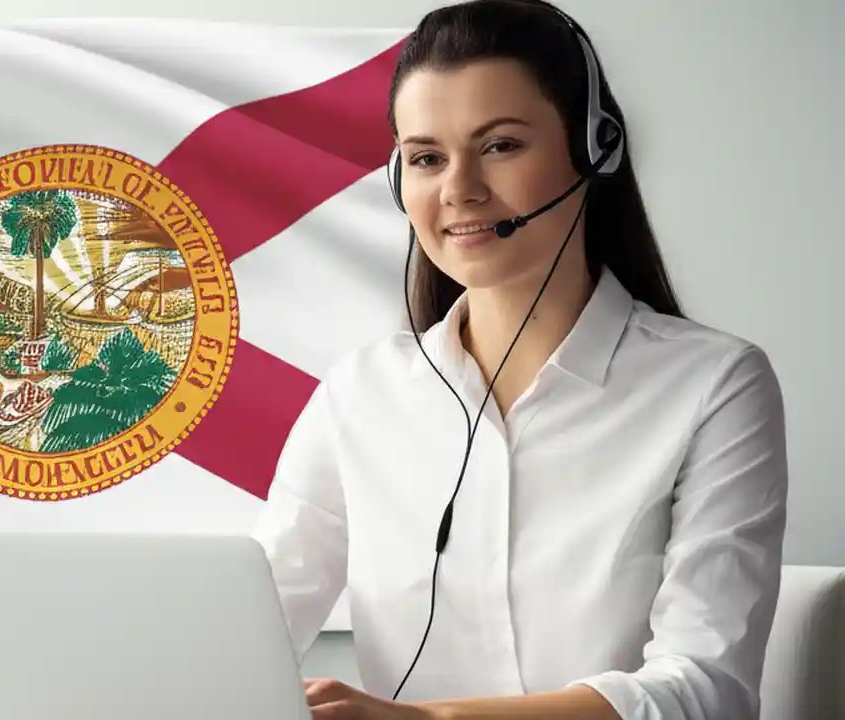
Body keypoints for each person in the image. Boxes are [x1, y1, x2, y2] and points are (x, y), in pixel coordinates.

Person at [249, 1, 789, 719]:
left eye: (500, 145)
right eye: (427, 158)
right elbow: (246, 626)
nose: (459, 189)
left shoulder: (714, 384)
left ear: (595, 150)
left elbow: (706, 690)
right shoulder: (360, 393)